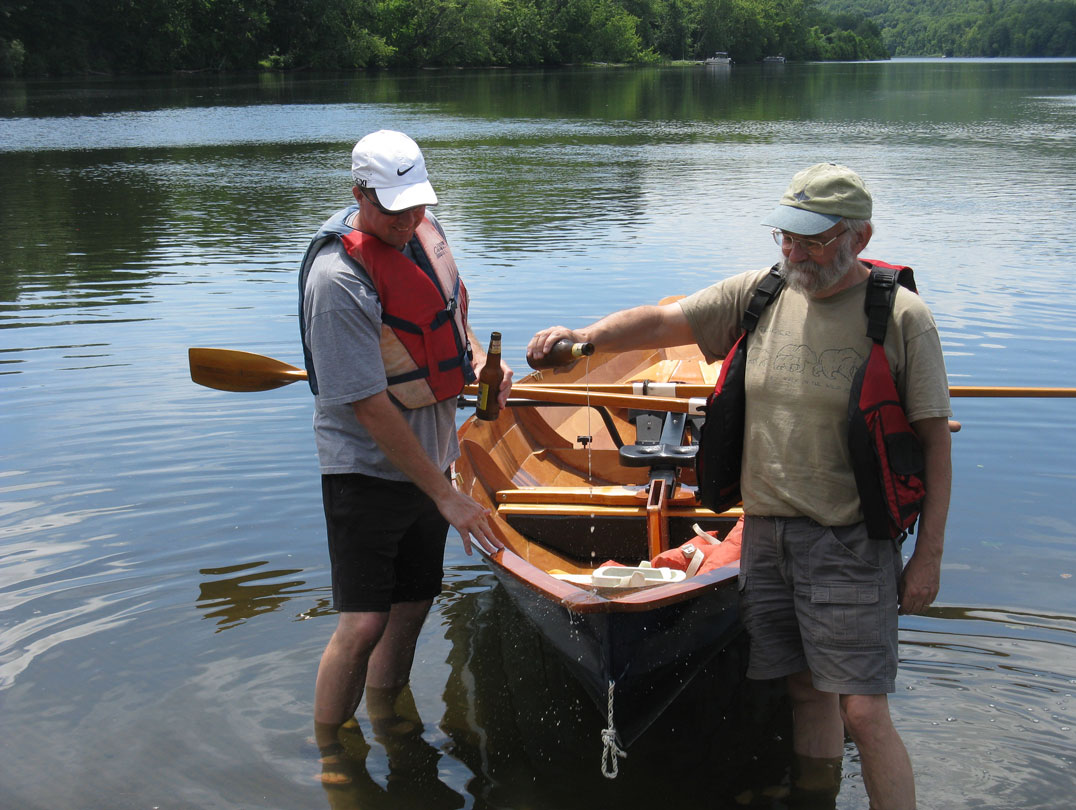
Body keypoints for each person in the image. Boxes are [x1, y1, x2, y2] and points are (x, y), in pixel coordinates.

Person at [527, 163, 951, 810]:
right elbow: (661, 323)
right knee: (807, 691)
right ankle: (816, 798)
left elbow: (934, 441)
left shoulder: (900, 317)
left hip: (851, 543)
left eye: (811, 239)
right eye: (786, 235)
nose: (792, 251)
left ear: (857, 239)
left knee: (863, 713)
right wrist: (583, 339)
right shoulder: (763, 293)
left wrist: (928, 557)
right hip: (768, 535)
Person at [298, 130, 509, 767]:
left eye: (417, 204)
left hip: (431, 467)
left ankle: (391, 724)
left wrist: (473, 365)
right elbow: (368, 406)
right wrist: (447, 496)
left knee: (413, 605)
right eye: (393, 209)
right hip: (366, 472)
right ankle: (333, 756)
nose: (409, 220)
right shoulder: (338, 282)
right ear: (358, 193)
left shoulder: (422, 233)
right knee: (362, 624)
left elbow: (450, 318)